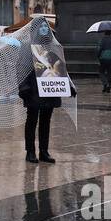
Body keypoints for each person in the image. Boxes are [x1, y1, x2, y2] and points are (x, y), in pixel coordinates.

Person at [19, 17, 67, 163]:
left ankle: (44, 151)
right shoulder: (27, 47)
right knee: (32, 120)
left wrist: (67, 85)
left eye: (46, 26)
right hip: (33, 89)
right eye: (41, 26)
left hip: (49, 89)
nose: (45, 29)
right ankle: (30, 151)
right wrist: (24, 87)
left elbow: (60, 67)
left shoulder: (54, 46)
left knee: (46, 121)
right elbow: (21, 68)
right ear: (35, 29)